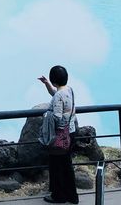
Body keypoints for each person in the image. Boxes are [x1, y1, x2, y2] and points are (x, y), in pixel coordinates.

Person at [38, 66, 79, 204]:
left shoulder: (58, 96)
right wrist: (47, 84)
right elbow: (58, 96)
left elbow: (57, 116)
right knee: (67, 166)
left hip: (60, 136)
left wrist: (46, 114)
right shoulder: (69, 90)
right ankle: (72, 196)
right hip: (71, 132)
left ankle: (58, 196)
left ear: (53, 80)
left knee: (56, 166)